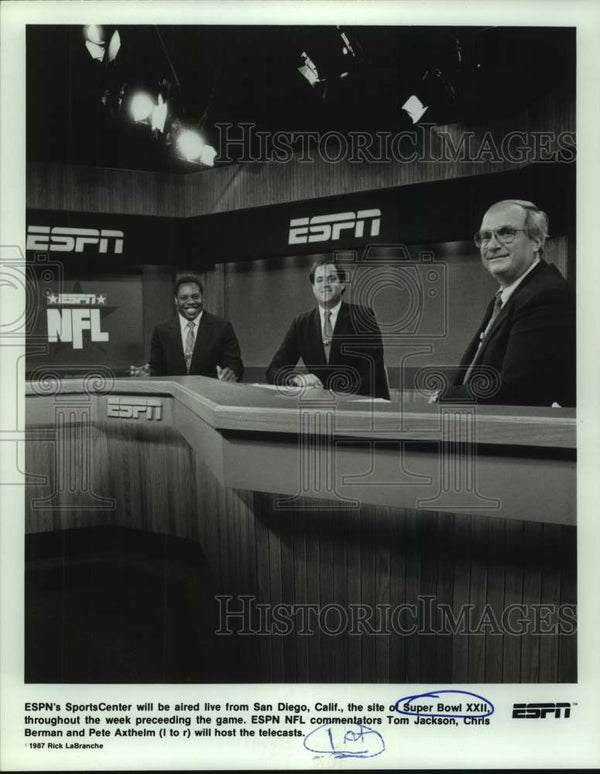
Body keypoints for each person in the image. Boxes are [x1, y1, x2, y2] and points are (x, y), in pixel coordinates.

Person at [441, 199, 575, 406]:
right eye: (485, 237)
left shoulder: (546, 295)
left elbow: (517, 387)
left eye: (506, 233)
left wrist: (446, 397)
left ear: (537, 241)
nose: (492, 246)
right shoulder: (508, 296)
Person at [266, 258, 389, 399]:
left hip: (361, 402)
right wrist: (296, 378)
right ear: (313, 287)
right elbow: (274, 369)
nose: (325, 284)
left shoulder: (362, 316)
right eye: (319, 280)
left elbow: (372, 372)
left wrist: (334, 395)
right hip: (320, 405)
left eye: (331, 278)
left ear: (342, 284)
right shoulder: (301, 323)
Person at [129, 275, 243, 381]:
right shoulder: (162, 331)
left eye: (195, 296)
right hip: (176, 398)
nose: (191, 302)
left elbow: (235, 364)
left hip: (210, 397)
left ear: (202, 297)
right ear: (176, 300)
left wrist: (232, 373)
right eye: (184, 297)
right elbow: (158, 368)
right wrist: (148, 375)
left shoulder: (222, 327)